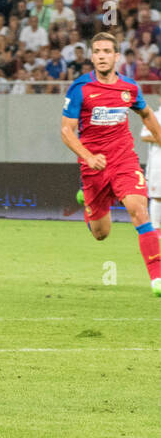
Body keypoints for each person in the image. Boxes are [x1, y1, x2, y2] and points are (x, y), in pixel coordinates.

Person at [61, 33, 161, 295]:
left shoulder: (129, 88)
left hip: (124, 159)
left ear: (117, 56)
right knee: (101, 234)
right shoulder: (80, 88)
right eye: (97, 51)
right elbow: (66, 132)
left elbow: (146, 113)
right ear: (92, 56)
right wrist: (88, 157)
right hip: (93, 165)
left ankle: (157, 277)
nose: (102, 56)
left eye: (107, 51)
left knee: (138, 208)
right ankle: (89, 203)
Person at [144, 101, 161, 229]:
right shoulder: (154, 116)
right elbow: (144, 136)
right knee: (157, 196)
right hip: (158, 163)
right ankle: (155, 229)